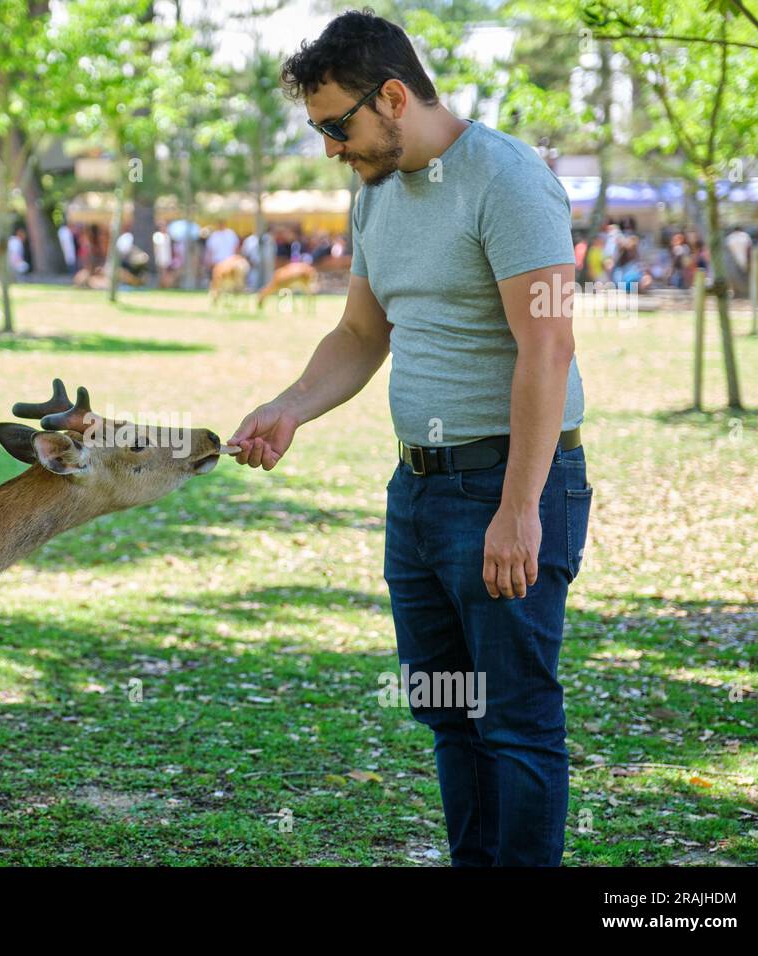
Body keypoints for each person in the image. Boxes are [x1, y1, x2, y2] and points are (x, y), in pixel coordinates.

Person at [228, 9, 590, 867]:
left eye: (335, 125)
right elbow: (361, 333)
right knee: (448, 713)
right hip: (418, 494)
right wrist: (288, 407)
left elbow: (549, 345)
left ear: (393, 96)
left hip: (507, 488)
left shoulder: (508, 179)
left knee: (515, 723)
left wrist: (520, 509)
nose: (329, 148)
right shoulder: (377, 191)